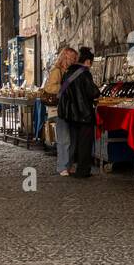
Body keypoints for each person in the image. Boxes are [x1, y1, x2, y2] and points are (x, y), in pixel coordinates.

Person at [58, 46, 99, 179]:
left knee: (74, 143)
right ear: (87, 61)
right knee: (85, 143)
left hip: (71, 114)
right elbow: (93, 92)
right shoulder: (85, 73)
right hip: (84, 114)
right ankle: (82, 171)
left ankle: (72, 166)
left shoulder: (68, 71)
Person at [41, 46, 77, 175]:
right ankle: (62, 167)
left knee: (72, 138)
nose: (74, 60)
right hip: (59, 109)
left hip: (69, 108)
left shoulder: (69, 71)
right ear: (65, 57)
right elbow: (50, 88)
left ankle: (69, 165)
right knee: (64, 138)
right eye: (72, 57)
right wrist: (65, 87)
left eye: (75, 58)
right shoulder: (57, 71)